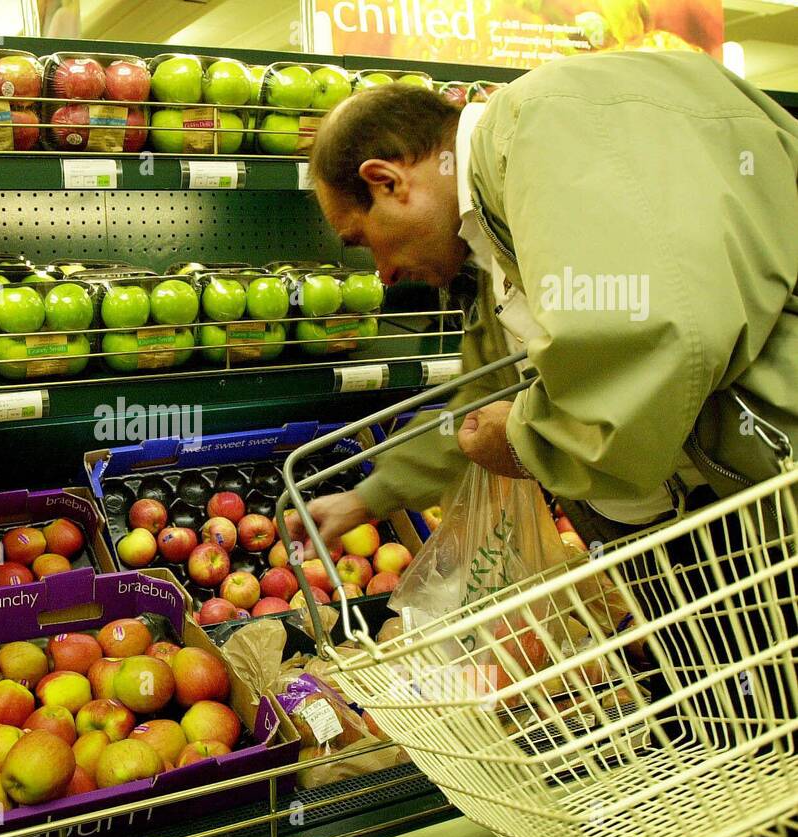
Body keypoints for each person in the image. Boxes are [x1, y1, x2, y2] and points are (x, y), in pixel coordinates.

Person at [298, 50, 798, 552]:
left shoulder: (546, 129)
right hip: (741, 504)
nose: (383, 275)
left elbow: (652, 336)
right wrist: (367, 498)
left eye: (363, 241)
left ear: (387, 182)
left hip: (771, 488)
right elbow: (487, 394)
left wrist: (524, 441)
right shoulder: (491, 227)